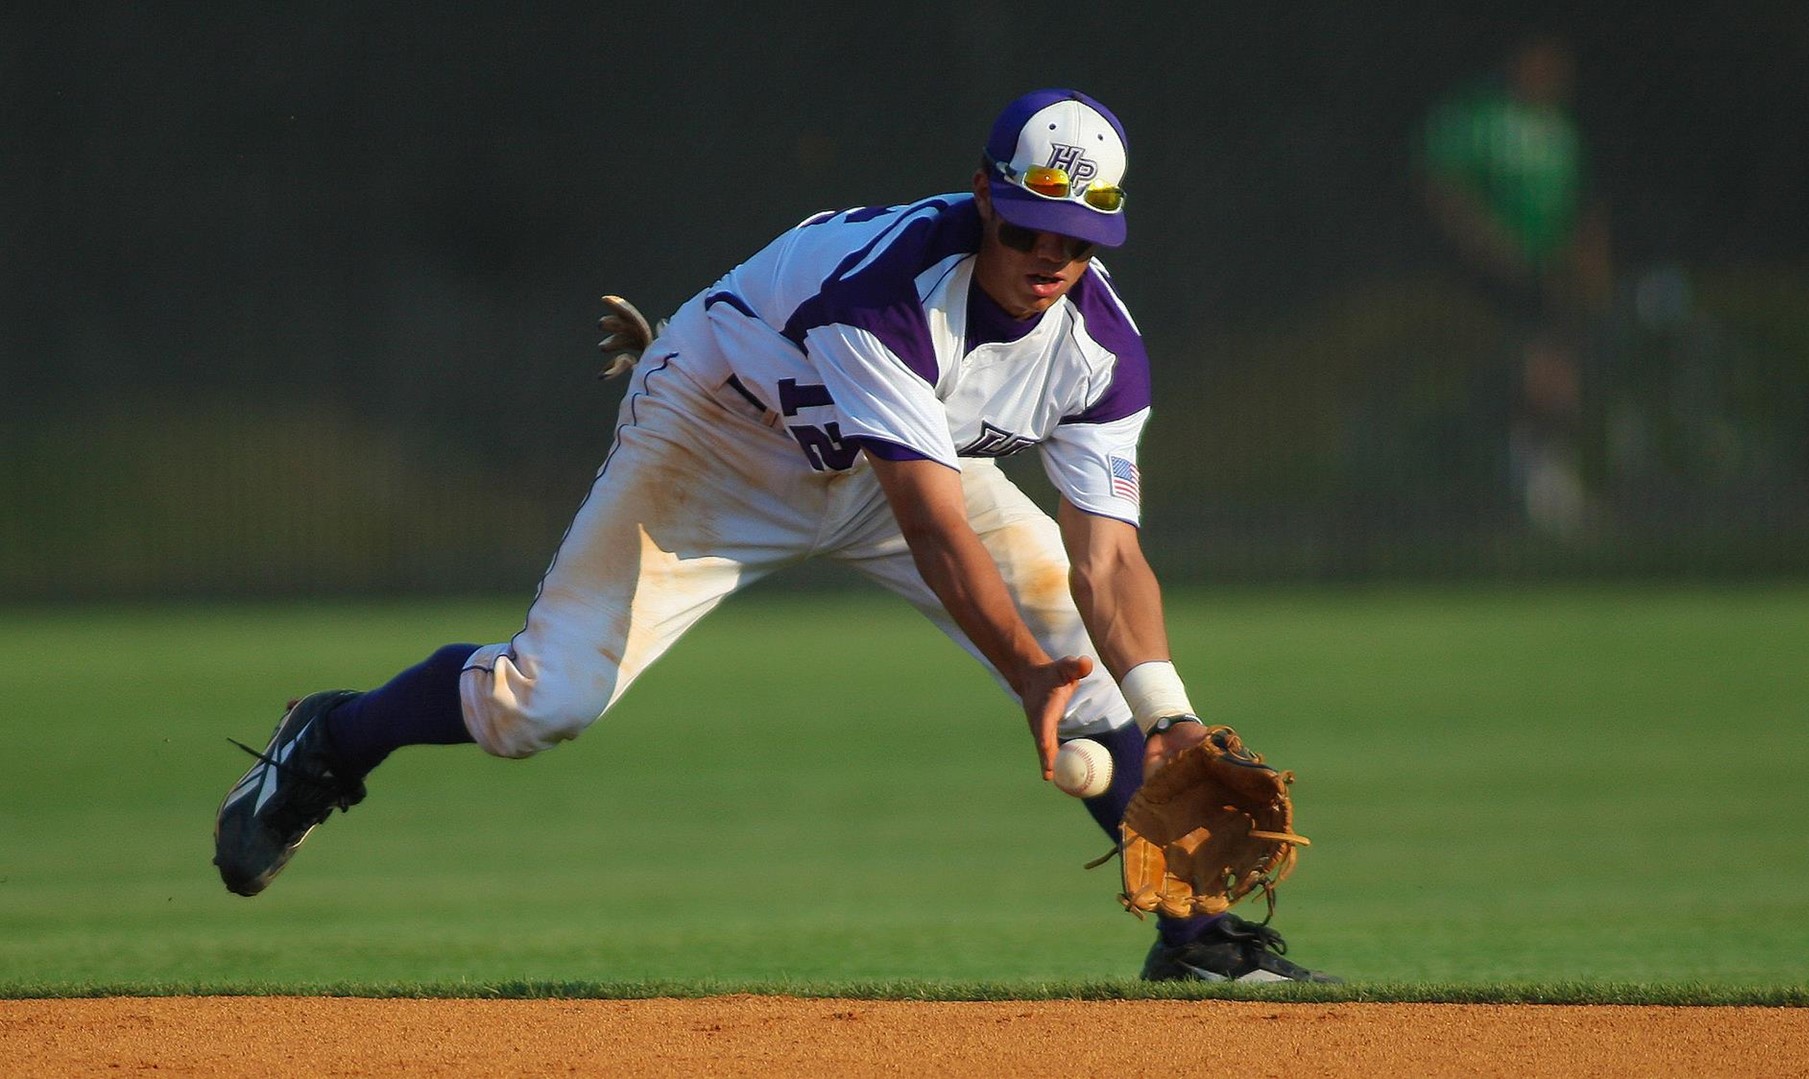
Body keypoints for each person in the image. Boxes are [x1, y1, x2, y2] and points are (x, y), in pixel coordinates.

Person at [214, 88, 1339, 985]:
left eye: (1083, 237)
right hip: (719, 439)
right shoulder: (892, 296)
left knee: (1101, 678)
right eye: (1036, 226)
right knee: (538, 702)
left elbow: (1108, 557)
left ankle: (1197, 940)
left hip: (899, 467)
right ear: (986, 200)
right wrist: (1027, 671)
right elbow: (933, 526)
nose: (1054, 257)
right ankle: (330, 740)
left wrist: (1170, 713)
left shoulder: (1101, 348)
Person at [1418, 36, 1611, 537]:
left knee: (1558, 368)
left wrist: (1587, 257)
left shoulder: (1560, 129)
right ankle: (1532, 480)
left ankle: (1540, 475)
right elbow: (1440, 179)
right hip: (1494, 273)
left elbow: (1584, 201)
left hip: (1549, 270)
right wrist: (1484, 240)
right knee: (1539, 365)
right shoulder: (1481, 118)